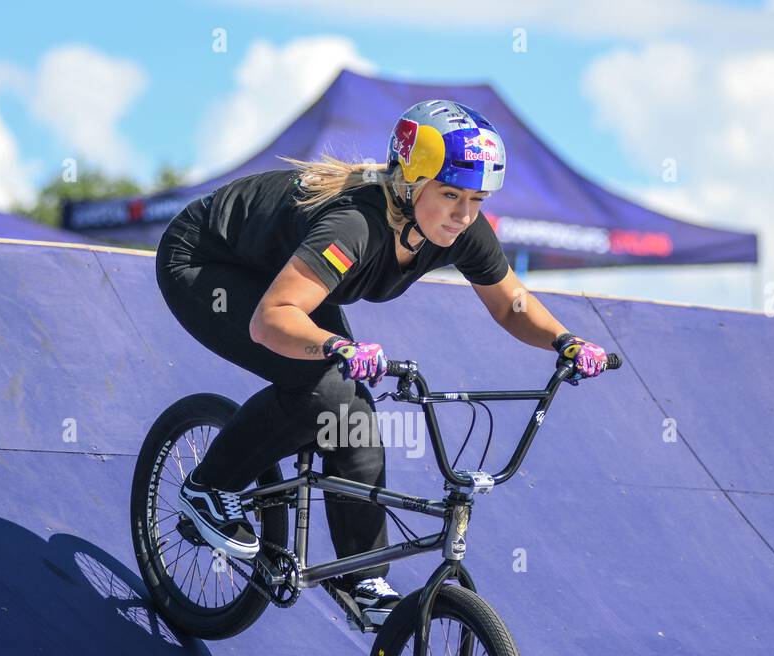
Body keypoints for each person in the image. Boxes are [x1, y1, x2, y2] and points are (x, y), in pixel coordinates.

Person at [155, 99, 609, 625]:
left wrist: (565, 341)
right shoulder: (355, 226)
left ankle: (361, 572)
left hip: (282, 271)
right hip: (208, 263)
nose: (464, 213)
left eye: (477, 199)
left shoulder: (460, 231)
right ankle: (208, 489)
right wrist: (336, 347)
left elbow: (511, 304)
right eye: (450, 195)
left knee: (352, 412)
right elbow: (271, 319)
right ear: (412, 185)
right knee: (322, 386)